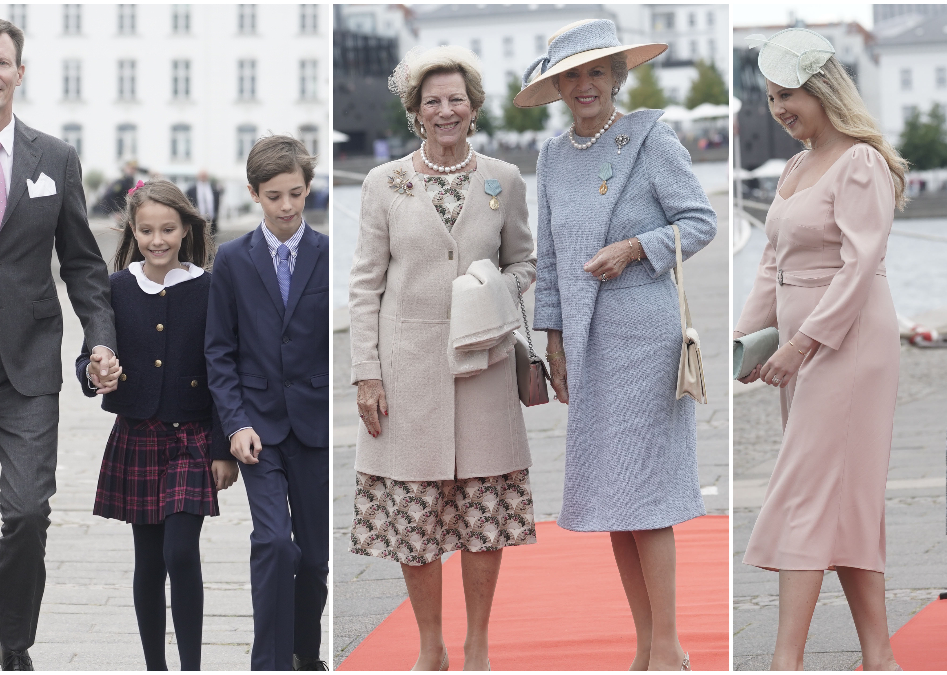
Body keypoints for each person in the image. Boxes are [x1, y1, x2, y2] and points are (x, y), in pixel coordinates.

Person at [515, 19, 716, 670]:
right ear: (557, 86)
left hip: (643, 337)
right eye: (571, 75)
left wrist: (636, 248)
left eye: (595, 72)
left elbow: (700, 222)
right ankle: (649, 643)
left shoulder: (650, 137)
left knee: (646, 496)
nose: (583, 85)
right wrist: (553, 341)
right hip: (585, 340)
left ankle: (668, 646)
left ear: (616, 77)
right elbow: (547, 256)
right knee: (613, 497)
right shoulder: (549, 155)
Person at [0, 17, 120, 671]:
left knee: (29, 509)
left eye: (1, 62)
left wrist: (99, 341)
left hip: (28, 362)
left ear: (20, 73)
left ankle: (13, 641)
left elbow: (83, 266)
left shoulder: (54, 160)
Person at [350, 45, 538, 671]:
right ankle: (430, 645)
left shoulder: (504, 180)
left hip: (483, 367)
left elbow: (525, 261)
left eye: (456, 98)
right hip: (409, 374)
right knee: (416, 513)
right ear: (415, 111)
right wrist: (366, 374)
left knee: (485, 508)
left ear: (474, 107)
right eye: (432, 100)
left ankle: (477, 643)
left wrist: (491, 294)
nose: (446, 109)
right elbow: (365, 285)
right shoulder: (384, 183)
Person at [735, 28, 908, 671]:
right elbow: (770, 262)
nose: (780, 109)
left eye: (790, 96)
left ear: (824, 91)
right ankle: (879, 656)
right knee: (843, 498)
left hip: (849, 341)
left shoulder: (859, 161)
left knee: (809, 493)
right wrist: (746, 342)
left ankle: (786, 661)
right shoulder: (798, 164)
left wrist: (802, 344)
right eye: (773, 97)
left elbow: (860, 267)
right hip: (801, 344)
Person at [77, 179, 237, 670]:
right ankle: (155, 667)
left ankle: (191, 667)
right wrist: (94, 371)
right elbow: (92, 352)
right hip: (137, 436)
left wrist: (223, 448)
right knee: (148, 562)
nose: (158, 240)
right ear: (134, 231)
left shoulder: (211, 287)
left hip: (192, 440)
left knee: (180, 552)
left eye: (168, 228)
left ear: (187, 227)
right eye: (146, 230)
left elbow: (225, 367)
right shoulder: (118, 287)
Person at [205, 135, 329, 671]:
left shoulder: (328, 253)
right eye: (274, 195)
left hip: (317, 427)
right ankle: (270, 663)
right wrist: (232, 428)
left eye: (297, 193)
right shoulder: (231, 260)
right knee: (276, 544)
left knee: (317, 560)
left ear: (308, 188)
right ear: (254, 194)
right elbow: (219, 352)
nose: (287, 207)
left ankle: (305, 653)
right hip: (256, 429)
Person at [186, 169, 222, 234]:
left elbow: (217, 203)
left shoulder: (214, 189)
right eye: (202, 175)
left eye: (205, 175)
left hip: (211, 222)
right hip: (197, 222)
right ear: (198, 176)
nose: (203, 177)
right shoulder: (191, 190)